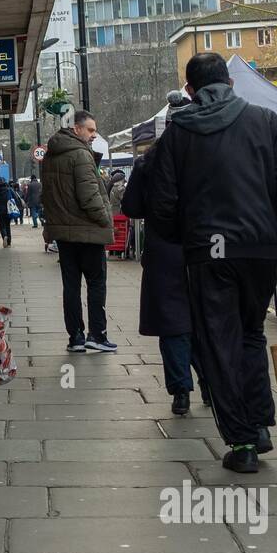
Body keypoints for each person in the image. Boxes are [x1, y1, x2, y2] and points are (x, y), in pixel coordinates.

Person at [147, 52, 277, 473]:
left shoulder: (177, 134)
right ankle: (260, 423)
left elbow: (162, 204)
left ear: (190, 90)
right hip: (259, 249)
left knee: (217, 342)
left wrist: (184, 239)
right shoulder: (264, 121)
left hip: (209, 252)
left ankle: (242, 441)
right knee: (250, 334)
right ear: (230, 81)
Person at [123, 101, 204, 416]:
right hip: (205, 247)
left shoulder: (149, 160)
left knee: (173, 324)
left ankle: (180, 391)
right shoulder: (206, 157)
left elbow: (131, 207)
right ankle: (211, 384)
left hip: (163, 249)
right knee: (205, 317)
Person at [41, 109, 116, 353]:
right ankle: (97, 334)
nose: (94, 135)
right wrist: (105, 219)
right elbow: (89, 196)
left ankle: (75, 337)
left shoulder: (52, 156)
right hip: (88, 231)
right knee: (96, 283)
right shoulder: (81, 155)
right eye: (90, 130)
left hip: (64, 234)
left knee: (70, 286)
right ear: (76, 129)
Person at [0, 177, 24, 247]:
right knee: (8, 226)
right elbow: (16, 198)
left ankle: (4, 236)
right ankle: (9, 243)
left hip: (0, 211)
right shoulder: (9, 190)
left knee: (2, 226)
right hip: (9, 210)